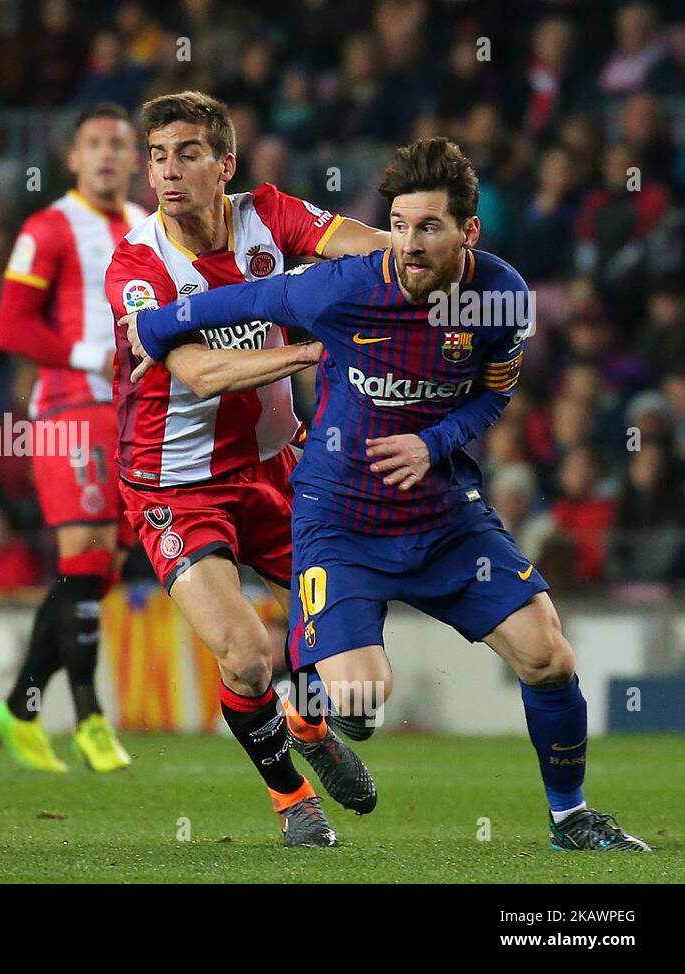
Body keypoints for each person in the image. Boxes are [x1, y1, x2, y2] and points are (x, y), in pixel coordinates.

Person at [123, 136, 650, 852]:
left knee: (549, 654)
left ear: (469, 232)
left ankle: (571, 817)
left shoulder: (501, 297)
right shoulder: (345, 287)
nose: (407, 243)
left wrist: (431, 445)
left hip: (443, 514)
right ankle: (312, 716)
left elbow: (494, 399)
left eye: (427, 227)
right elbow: (249, 297)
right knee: (361, 697)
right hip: (340, 519)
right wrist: (152, 327)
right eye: (398, 224)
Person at [102, 90, 386, 847]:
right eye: (158, 156)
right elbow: (195, 372)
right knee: (249, 656)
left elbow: (367, 247)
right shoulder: (138, 263)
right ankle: (292, 797)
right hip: (175, 485)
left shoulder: (268, 213)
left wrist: (419, 263)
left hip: (277, 466)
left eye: (188, 153)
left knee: (346, 620)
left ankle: (310, 720)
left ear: (224, 164)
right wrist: (308, 350)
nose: (168, 171)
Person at [0, 103, 147, 773]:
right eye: (93, 143)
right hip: (68, 410)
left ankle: (18, 709)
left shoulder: (148, 227)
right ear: (73, 158)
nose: (106, 154)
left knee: (96, 573)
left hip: (136, 414)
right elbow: (10, 327)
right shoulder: (48, 227)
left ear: (136, 160)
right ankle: (89, 719)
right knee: (84, 561)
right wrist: (88, 353)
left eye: (118, 143)